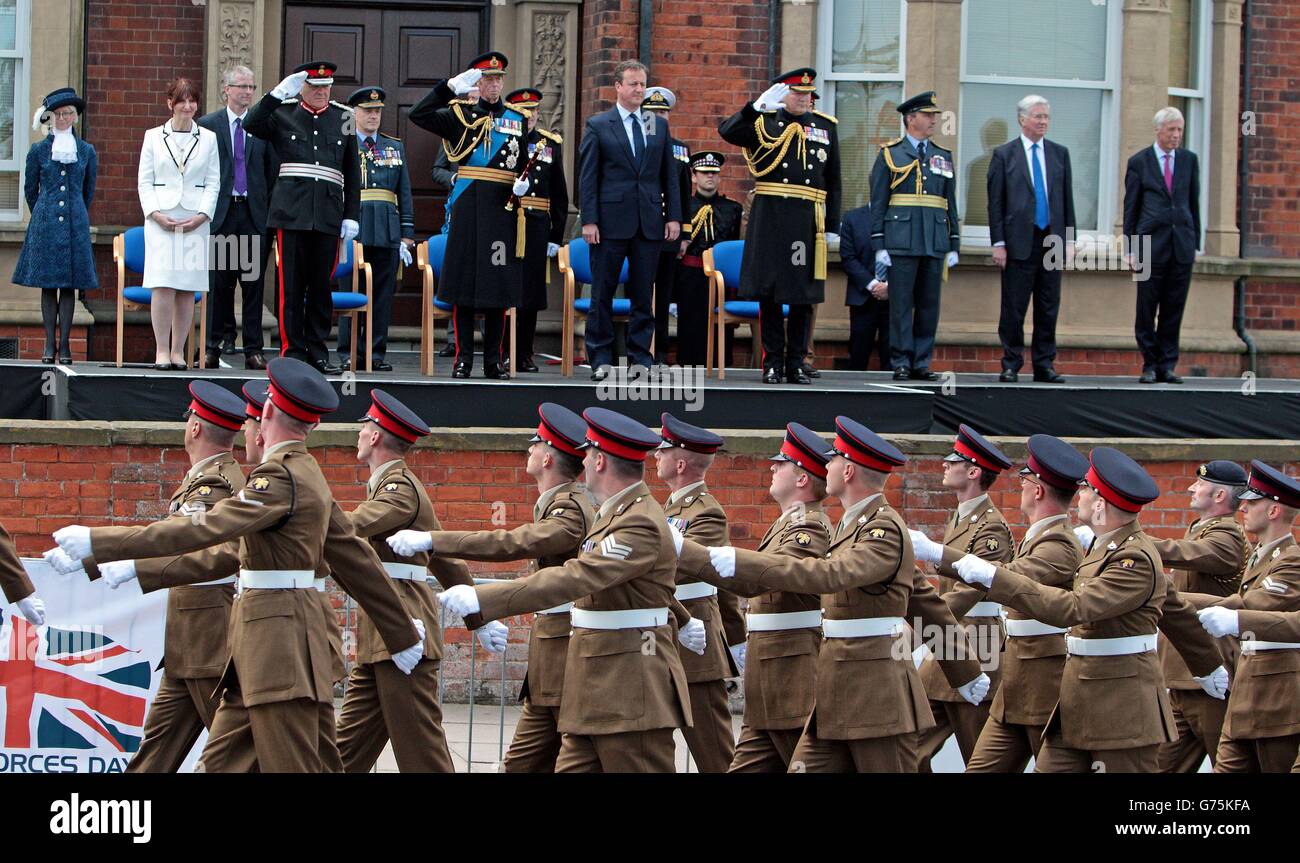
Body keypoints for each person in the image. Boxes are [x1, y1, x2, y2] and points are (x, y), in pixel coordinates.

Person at [50, 358, 424, 772]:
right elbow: (353, 557)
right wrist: (401, 631)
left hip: (280, 654)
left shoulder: (279, 479)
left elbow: (206, 529)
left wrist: (101, 542)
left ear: (265, 414)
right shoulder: (306, 474)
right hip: (261, 655)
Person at [676, 417, 990, 772]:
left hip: (877, 693)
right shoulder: (850, 526)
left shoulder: (882, 529)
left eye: (835, 459)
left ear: (850, 471)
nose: (827, 466)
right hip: (835, 691)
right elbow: (924, 601)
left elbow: (832, 575)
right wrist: (965, 669)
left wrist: (725, 558)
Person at [436, 407, 692, 772]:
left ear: (600, 460)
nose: (580, 461)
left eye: (586, 453)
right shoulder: (613, 513)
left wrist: (483, 598)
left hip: (630, 691)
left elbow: (578, 576)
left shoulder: (639, 521)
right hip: (593, 687)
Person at [949, 447, 1229, 772]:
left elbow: (1072, 608)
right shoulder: (1103, 547)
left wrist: (996, 576)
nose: (1077, 495)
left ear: (1100, 503)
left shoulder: (1134, 558)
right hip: (1076, 701)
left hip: (1122, 709)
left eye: (1085, 489)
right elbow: (1176, 610)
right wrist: (1207, 663)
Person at [66, 382, 246, 772]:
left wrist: (103, 555)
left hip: (208, 639)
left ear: (195, 428)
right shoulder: (208, 477)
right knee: (154, 755)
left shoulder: (217, 483)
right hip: (187, 641)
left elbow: (177, 542)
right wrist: (94, 559)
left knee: (238, 755)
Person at [334, 390, 502, 772]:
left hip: (404, 628)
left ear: (375, 435)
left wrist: (310, 520)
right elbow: (444, 558)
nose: (358, 432)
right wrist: (480, 615)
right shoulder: (394, 485)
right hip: (386, 632)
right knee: (345, 751)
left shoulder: (399, 489)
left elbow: (350, 529)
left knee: (421, 752)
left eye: (364, 426)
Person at [917, 434, 1088, 773]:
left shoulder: (1052, 541)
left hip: (1005, 661)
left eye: (1025, 481)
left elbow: (1001, 580)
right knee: (911, 748)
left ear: (1038, 490)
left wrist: (919, 621)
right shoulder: (1036, 535)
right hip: (986, 658)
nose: (1019, 487)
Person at [679, 422, 834, 771]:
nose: (772, 467)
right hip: (768, 684)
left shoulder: (810, 526)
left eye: (781, 464)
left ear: (802, 479)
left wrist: (684, 553)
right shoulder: (786, 523)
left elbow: (765, 577)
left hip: (793, 678)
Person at [719, 68, 841, 384]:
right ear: (782, 94)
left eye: (807, 94)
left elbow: (834, 180)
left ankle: (797, 361)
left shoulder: (825, 127)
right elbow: (727, 131)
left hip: (805, 219)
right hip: (771, 216)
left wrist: (831, 224)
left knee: (801, 294)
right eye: (797, 93)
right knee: (769, 293)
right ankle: (773, 361)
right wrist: (754, 108)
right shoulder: (764, 122)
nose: (804, 98)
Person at [410, 51, 524, 380]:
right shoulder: (460, 115)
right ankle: (463, 360)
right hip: (468, 208)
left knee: (497, 290)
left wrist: (524, 187)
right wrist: (448, 88)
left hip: (502, 211)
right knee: (464, 287)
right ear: (477, 82)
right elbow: (420, 114)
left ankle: (493, 361)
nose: (493, 84)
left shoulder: (517, 119)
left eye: (498, 79)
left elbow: (525, 162)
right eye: (487, 79)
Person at [244, 61, 361, 375]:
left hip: (328, 213)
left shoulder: (344, 117)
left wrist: (351, 214)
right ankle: (292, 351)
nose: (322, 93)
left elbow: (352, 170)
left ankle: (318, 352)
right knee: (291, 287)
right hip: (291, 213)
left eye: (326, 87)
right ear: (302, 88)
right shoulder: (283, 113)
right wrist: (278, 93)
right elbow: (251, 124)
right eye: (315, 87)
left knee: (322, 287)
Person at [912, 425, 1015, 772]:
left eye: (953, 460)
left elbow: (971, 590)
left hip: (977, 646)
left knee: (981, 760)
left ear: (973, 472)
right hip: (947, 644)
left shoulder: (991, 525)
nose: (944, 463)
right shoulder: (962, 515)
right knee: (909, 750)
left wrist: (921, 627)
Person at [1189, 461, 1300, 773]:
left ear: (1274, 511)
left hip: (1276, 700)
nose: (1243, 508)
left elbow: (1254, 604)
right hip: (1244, 694)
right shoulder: (1260, 556)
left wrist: (1178, 602)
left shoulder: (1292, 561)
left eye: (1252, 502)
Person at [577, 60, 683, 381]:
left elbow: (670, 177)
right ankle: (601, 357)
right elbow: (588, 178)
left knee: (642, 294)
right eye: (633, 84)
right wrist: (589, 220)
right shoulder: (599, 124)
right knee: (603, 292)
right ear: (618, 87)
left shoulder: (657, 125)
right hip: (609, 223)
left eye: (643, 84)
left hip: (648, 221)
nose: (639, 90)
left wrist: (673, 217)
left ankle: (641, 358)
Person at [656, 413, 744, 772]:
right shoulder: (671, 507)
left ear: (679, 462)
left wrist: (734, 641)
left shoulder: (706, 512)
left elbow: (700, 573)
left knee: (714, 753)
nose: (655, 456)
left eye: (662, 450)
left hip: (696, 644)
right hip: (668, 635)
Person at [1147, 461, 1248, 772]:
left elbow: (1181, 553)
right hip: (1182, 675)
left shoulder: (1227, 536)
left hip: (1211, 673)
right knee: (1159, 765)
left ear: (1219, 496)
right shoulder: (1201, 529)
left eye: (1200, 484)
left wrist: (1127, 540)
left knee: (1231, 764)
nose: (1192, 488)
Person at [869, 91, 960, 381]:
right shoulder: (890, 154)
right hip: (901, 238)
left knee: (929, 304)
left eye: (934, 115)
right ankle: (901, 360)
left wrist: (954, 241)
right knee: (901, 305)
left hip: (933, 240)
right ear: (911, 119)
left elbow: (950, 203)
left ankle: (921, 361)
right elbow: (879, 202)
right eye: (928, 115)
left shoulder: (942, 156)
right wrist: (879, 242)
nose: (934, 119)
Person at [987, 94, 1075, 384]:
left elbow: (1066, 201)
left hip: (1051, 240)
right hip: (1017, 243)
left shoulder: (1059, 154)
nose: (1043, 121)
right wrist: (998, 243)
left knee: (1048, 306)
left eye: (1046, 117)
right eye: (1038, 116)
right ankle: (1011, 363)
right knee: (1014, 307)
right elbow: (995, 203)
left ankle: (1044, 364)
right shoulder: (1004, 155)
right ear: (1022, 119)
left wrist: (1070, 241)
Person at [137, 77, 220, 370]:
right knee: (163, 285)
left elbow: (213, 182)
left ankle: (177, 351)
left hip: (195, 219)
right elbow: (144, 182)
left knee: (187, 288)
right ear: (169, 103)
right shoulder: (152, 136)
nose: (188, 106)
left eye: (192, 100)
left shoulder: (208, 138)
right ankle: (161, 350)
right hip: (161, 219)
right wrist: (156, 214)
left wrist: (201, 216)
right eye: (181, 101)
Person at [198, 66, 277, 371]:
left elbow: (272, 173)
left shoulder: (263, 125)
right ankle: (211, 347)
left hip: (253, 214)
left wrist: (267, 214)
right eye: (241, 86)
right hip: (222, 214)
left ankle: (253, 350)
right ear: (226, 89)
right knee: (219, 284)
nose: (247, 92)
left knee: (253, 284)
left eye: (251, 87)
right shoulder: (208, 126)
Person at [13, 88, 97, 365]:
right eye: (58, 114)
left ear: (75, 117)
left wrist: (76, 213)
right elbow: (30, 189)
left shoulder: (86, 151)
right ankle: (49, 344)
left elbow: (88, 190)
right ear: (50, 118)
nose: (63, 118)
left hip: (75, 224)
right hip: (46, 223)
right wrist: (43, 212)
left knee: (70, 286)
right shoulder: (38, 151)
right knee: (48, 286)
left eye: (68, 114)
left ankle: (66, 345)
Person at [336, 86, 415, 373]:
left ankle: (375, 352)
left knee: (382, 294)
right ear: (354, 113)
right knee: (351, 289)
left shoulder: (394, 146)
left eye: (377, 111)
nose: (373, 116)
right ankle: (347, 352)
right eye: (368, 111)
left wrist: (406, 233)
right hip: (353, 226)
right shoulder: (344, 144)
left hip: (386, 228)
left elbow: (403, 192)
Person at [1124, 106, 1201, 385]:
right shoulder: (1139, 162)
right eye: (1171, 129)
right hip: (1148, 246)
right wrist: (1130, 249)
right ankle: (1150, 363)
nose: (1176, 135)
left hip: (1181, 245)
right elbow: (1131, 208)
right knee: (1146, 308)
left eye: (1180, 129)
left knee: (1173, 308)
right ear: (1158, 130)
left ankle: (1167, 365)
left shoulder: (1189, 161)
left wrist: (1196, 244)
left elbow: (1193, 204)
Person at [502, 88, 569, 373]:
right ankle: (502, 351)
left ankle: (525, 353)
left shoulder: (549, 143)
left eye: (533, 112)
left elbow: (560, 194)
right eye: (522, 112)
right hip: (507, 221)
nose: (528, 117)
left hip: (537, 223)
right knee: (505, 288)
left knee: (530, 291)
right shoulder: (502, 139)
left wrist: (556, 235)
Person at [675, 151, 743, 367]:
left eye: (714, 173)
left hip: (720, 277)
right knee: (690, 322)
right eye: (704, 173)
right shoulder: (683, 207)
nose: (710, 177)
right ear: (694, 177)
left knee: (721, 325)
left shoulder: (732, 208)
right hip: (690, 273)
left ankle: (721, 365)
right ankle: (688, 365)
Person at [643, 86, 692, 365]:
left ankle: (659, 351)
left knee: (662, 296)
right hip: (641, 228)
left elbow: (684, 193)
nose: (659, 116)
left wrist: (684, 233)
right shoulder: (636, 142)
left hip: (668, 230)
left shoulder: (679, 149)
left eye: (663, 112)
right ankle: (638, 350)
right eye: (653, 112)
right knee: (641, 294)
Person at [838, 201, 889, 371]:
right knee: (858, 357)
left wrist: (889, 287)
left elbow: (907, 258)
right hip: (862, 297)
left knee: (893, 361)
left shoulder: (902, 217)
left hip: (895, 298)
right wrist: (874, 285)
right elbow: (848, 258)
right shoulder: (852, 218)